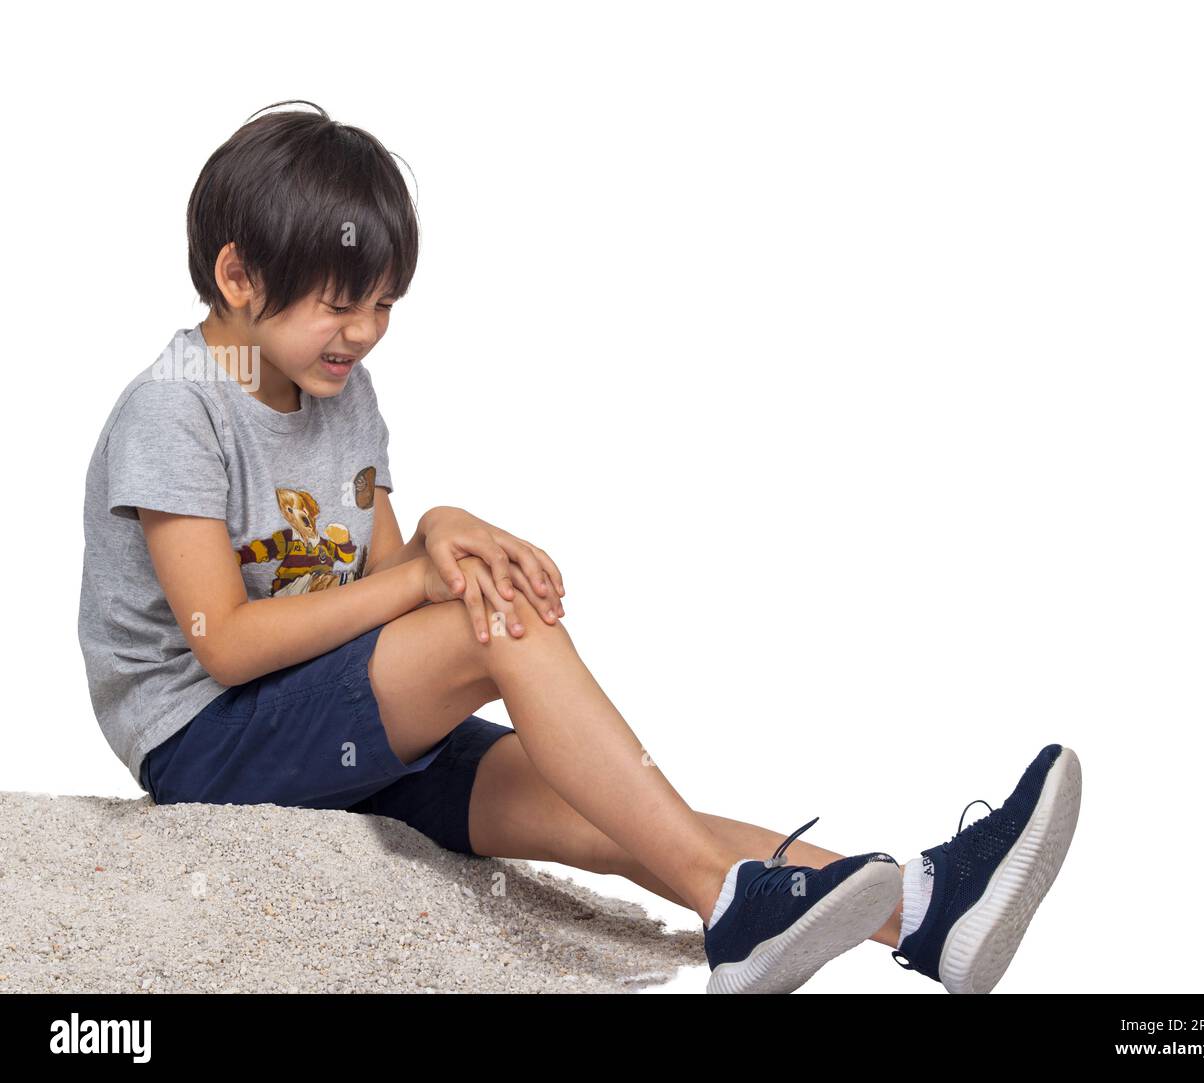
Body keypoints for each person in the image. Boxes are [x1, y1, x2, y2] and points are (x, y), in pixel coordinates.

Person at [77, 100, 1082, 994]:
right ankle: (734, 907)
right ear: (238, 277)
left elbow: (384, 586)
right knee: (490, 622)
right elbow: (229, 642)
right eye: (341, 305)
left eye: (383, 305)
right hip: (208, 743)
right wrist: (432, 577)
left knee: (600, 803)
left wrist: (438, 536)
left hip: (316, 720)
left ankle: (925, 911)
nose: (366, 332)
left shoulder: (345, 395)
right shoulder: (177, 409)